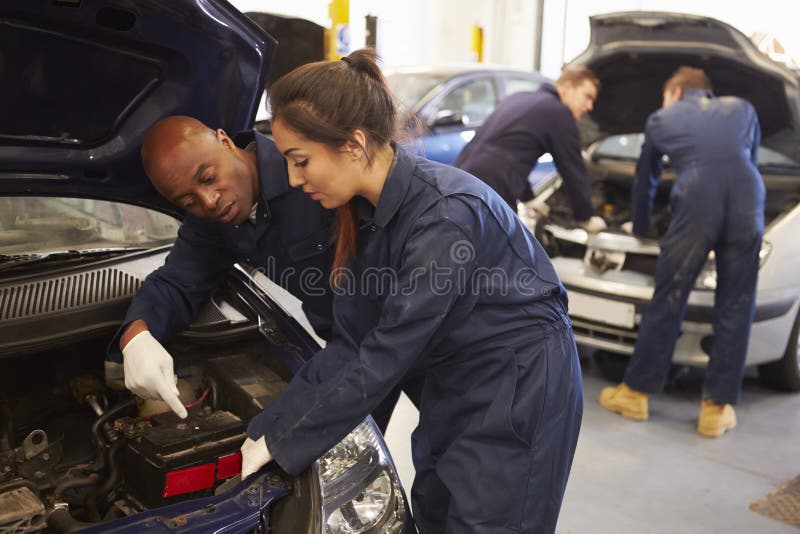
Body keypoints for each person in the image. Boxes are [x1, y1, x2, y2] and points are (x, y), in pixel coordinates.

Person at [239, 48, 584, 534]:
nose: (294, 179)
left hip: (517, 382)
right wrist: (268, 431)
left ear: (354, 145)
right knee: (437, 514)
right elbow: (352, 342)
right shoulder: (367, 215)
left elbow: (386, 352)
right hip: (452, 380)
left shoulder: (444, 218)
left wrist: (290, 441)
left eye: (301, 160)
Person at [109, 116, 336, 418]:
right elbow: (176, 282)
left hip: (407, 319)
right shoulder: (211, 224)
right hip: (348, 348)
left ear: (225, 142)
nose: (209, 201)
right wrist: (136, 338)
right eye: (189, 202)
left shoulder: (304, 164)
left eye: (208, 178)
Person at [599, 67, 764, 438]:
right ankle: (716, 410)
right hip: (748, 203)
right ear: (707, 93)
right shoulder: (742, 108)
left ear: (674, 93)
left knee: (669, 299)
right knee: (736, 304)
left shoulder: (663, 117)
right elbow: (747, 161)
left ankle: (636, 394)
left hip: (696, 204)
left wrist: (641, 228)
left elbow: (647, 177)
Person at [454, 66, 607, 233]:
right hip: (493, 188)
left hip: (461, 175)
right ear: (568, 87)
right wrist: (586, 217)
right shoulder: (559, 113)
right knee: (502, 250)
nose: (590, 106)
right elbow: (572, 169)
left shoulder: (519, 98)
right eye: (587, 97)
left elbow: (510, 153)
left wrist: (528, 198)